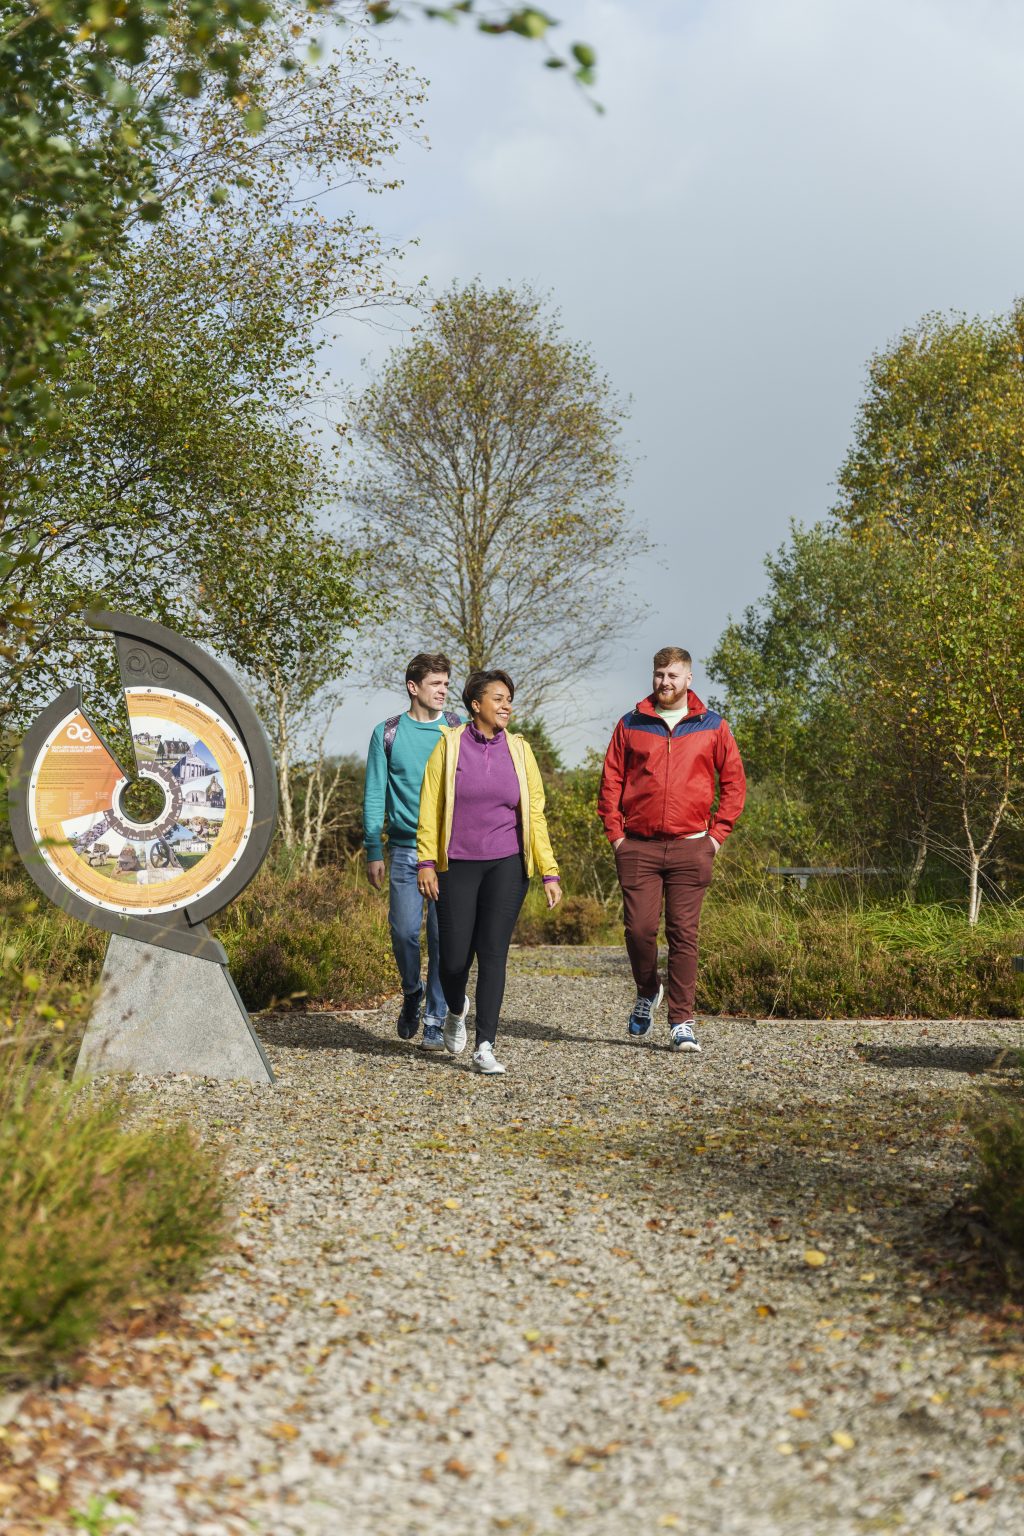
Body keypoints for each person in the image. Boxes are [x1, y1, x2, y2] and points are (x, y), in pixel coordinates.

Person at [598, 646, 746, 1054]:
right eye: (660, 674)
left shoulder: (713, 726)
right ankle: (648, 990)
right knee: (639, 931)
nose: (665, 682)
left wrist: (715, 837)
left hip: (691, 847)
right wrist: (617, 837)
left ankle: (682, 1021)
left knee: (684, 935)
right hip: (639, 848)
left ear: (689, 680)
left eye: (673, 675)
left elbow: (734, 785)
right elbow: (610, 782)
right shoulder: (631, 724)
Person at [416, 669, 561, 1075]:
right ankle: (456, 1008)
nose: (506, 705)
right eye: (498, 698)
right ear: (475, 705)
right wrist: (426, 861)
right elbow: (429, 808)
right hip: (456, 864)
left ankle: (485, 1045)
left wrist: (549, 871)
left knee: (494, 953)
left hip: (507, 863)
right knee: (454, 958)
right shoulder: (448, 746)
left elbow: (534, 814)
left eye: (509, 698)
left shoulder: (519, 750)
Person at [363, 653, 461, 1049]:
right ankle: (412, 992)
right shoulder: (386, 733)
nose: (443, 691)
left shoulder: (457, 729)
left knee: (442, 938)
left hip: (449, 852)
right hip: (404, 850)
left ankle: (436, 1018)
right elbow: (374, 794)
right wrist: (373, 849)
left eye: (446, 684)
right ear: (413, 687)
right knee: (404, 932)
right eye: (436, 684)